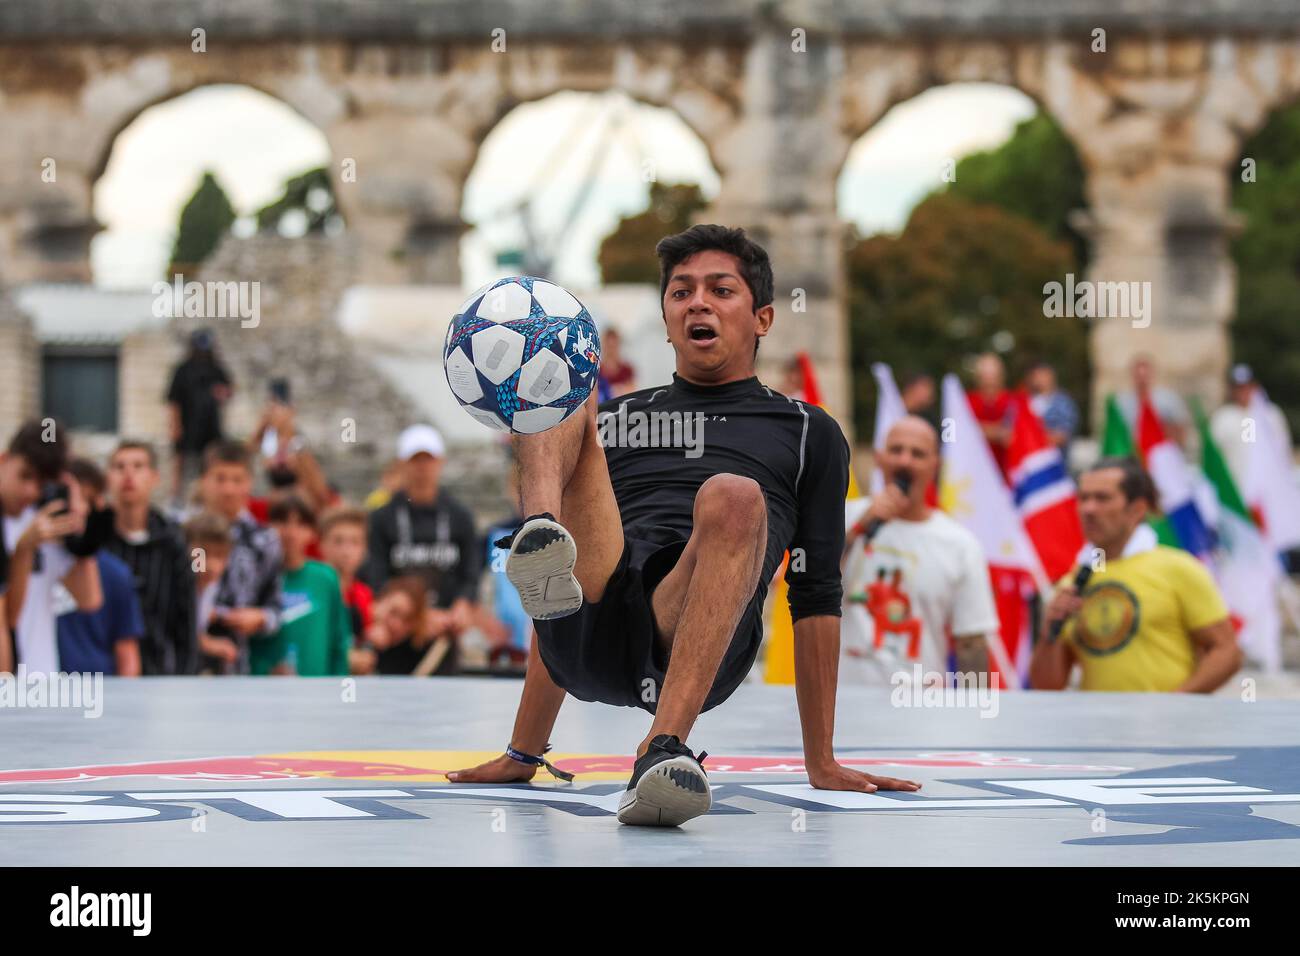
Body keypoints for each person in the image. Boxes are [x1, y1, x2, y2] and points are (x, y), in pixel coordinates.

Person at [447, 224, 922, 826]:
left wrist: (820, 760)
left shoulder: (808, 432)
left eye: (721, 290)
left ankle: (662, 748)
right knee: (558, 383)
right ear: (667, 318)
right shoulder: (619, 416)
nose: (698, 301)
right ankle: (539, 530)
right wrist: (522, 751)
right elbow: (569, 570)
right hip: (595, 611)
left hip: (692, 631)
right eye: (681, 292)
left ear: (763, 319)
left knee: (734, 496)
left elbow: (816, 595)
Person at [1029, 457, 1241, 693]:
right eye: (1083, 498)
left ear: (1137, 509)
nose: (1088, 509)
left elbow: (1227, 652)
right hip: (1096, 728)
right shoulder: (1072, 583)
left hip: (1168, 728)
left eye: (1102, 498)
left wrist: (1178, 704)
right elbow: (1047, 685)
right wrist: (1049, 633)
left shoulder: (1179, 568)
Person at [842, 417, 999, 686]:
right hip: (841, 705)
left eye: (917, 454)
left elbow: (971, 642)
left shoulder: (960, 544)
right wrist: (860, 527)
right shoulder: (842, 518)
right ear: (879, 458)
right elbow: (806, 576)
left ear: (934, 466)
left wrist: (975, 714)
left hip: (921, 710)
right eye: (896, 450)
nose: (905, 461)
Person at [365, 425, 479, 675]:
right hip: (395, 634)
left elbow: (470, 572)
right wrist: (417, 617)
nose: (422, 468)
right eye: (415, 460)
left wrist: (462, 605)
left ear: (440, 462)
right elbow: (376, 575)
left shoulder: (460, 516)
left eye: (428, 460)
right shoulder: (382, 518)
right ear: (402, 464)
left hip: (442, 638)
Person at [0, 421, 103, 673]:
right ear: (4, 460)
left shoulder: (49, 522)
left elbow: (89, 599)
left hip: (41, 679)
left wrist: (79, 533)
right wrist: (25, 549)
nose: (30, 491)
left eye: (40, 483)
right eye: (24, 475)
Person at [102, 440, 196, 675]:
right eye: (119, 467)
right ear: (108, 478)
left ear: (155, 477)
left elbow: (186, 620)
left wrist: (187, 679)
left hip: (161, 674)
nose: (128, 474)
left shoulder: (174, 542)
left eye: (138, 466)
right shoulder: (94, 542)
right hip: (103, 676)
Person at [198, 440, 282, 674]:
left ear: (250, 483)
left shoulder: (265, 540)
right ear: (204, 480)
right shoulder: (183, 531)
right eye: (220, 478)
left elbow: (276, 607)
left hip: (239, 664)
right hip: (185, 662)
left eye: (237, 480)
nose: (228, 489)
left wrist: (260, 618)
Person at [56, 460, 143, 676]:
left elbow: (127, 650)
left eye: (87, 501)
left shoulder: (115, 573)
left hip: (98, 691)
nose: (79, 509)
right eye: (72, 499)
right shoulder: (29, 558)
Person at [256, 495, 351, 677]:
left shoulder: (326, 577)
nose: (290, 533)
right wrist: (263, 671)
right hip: (264, 691)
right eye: (282, 522)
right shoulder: (257, 576)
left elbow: (339, 642)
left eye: (301, 524)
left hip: (317, 689)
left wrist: (342, 693)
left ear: (313, 532)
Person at [166, 329, 233, 505]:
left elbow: (228, 391)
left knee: (211, 461)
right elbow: (173, 401)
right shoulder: (183, 370)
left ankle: (207, 497)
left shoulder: (216, 369)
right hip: (188, 425)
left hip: (211, 425)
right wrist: (175, 426)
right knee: (182, 463)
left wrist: (222, 393)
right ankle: (177, 499)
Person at [1211, 363, 1292, 494]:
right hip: (1235, 493)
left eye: (1246, 387)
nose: (1242, 392)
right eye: (1238, 388)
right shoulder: (1222, 418)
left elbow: (1283, 452)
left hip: (1267, 492)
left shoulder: (1271, 415)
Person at [318, 506, 375, 674]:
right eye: (338, 541)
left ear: (364, 549)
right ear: (322, 544)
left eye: (355, 542)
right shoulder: (313, 589)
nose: (346, 551)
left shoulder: (363, 594)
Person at [184, 511, 237, 673]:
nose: (211, 564)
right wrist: (208, 644)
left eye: (220, 555)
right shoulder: (178, 587)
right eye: (203, 553)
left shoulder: (214, 588)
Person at [1117, 354, 1189, 448]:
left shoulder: (1168, 400)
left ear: (1152, 375)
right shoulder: (1121, 402)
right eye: (1138, 377)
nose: (1142, 381)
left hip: (1162, 452)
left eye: (1145, 376)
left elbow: (1181, 427)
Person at [967, 353, 1015, 476]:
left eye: (993, 373)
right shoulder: (964, 401)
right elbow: (948, 434)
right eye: (985, 374)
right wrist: (993, 432)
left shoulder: (1016, 401)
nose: (989, 378)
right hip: (971, 472)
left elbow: (1018, 434)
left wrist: (975, 429)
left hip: (1006, 472)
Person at [1024, 361, 1079, 450]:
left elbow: (1062, 435)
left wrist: (1032, 437)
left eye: (1041, 375)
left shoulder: (1063, 403)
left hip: (1053, 459)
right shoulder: (1026, 401)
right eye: (1035, 376)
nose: (1037, 379)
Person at [596, 327, 636, 401]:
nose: (611, 350)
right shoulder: (595, 371)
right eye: (608, 346)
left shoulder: (627, 370)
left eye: (613, 346)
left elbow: (633, 393)